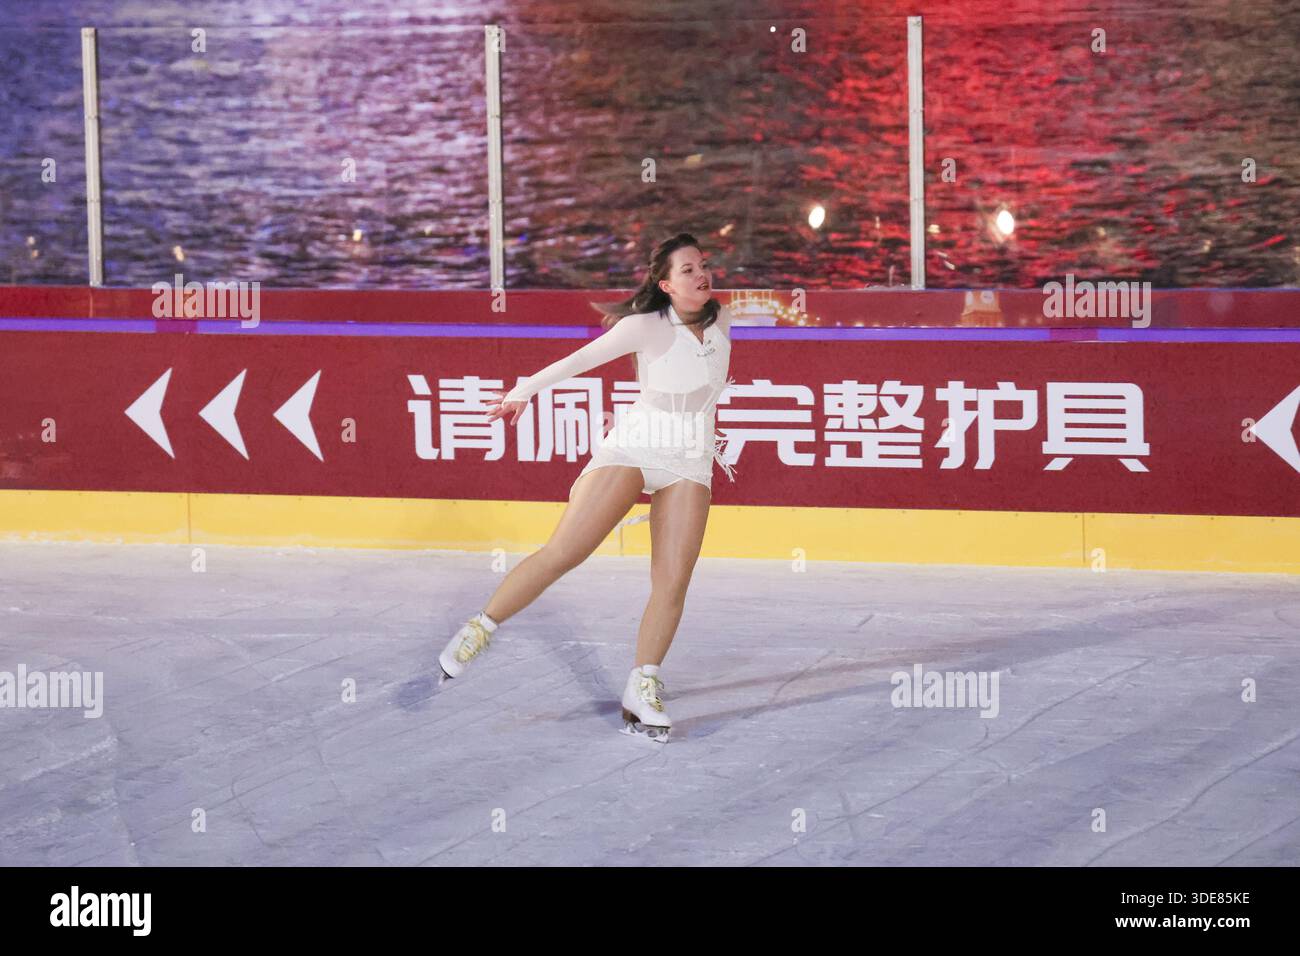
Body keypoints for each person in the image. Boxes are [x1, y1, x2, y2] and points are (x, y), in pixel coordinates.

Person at [438, 233, 737, 742]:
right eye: (687, 270)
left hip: (691, 459)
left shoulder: (721, 319)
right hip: (635, 449)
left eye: (703, 265)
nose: (701, 274)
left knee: (672, 582)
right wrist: (520, 393)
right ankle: (480, 628)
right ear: (665, 284)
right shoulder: (644, 326)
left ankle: (642, 686)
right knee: (565, 552)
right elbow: (576, 361)